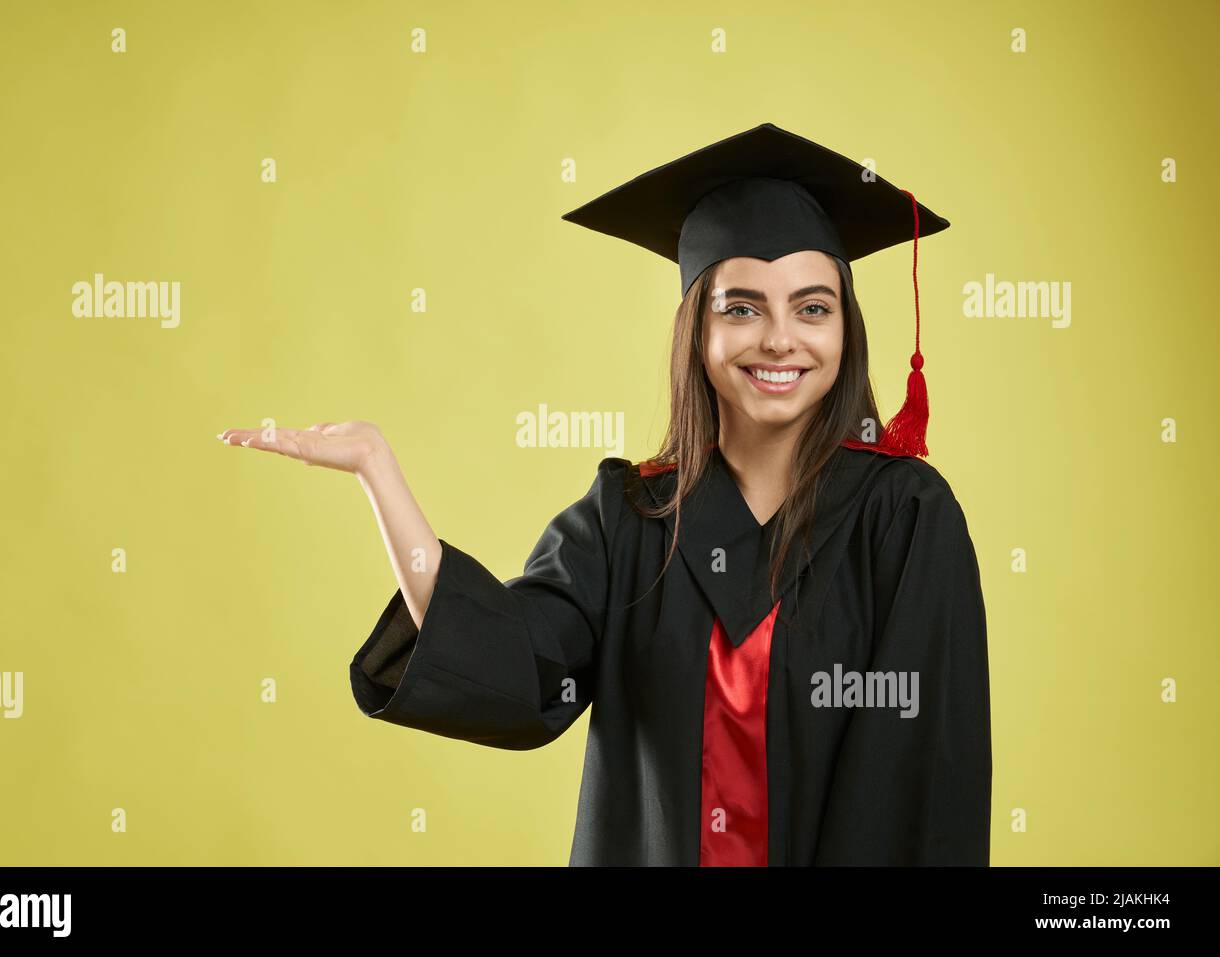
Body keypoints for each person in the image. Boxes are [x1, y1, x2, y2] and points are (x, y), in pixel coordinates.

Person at [218, 123, 992, 866]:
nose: (779, 338)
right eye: (742, 307)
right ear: (698, 330)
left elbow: (919, 785)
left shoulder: (905, 517)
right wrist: (377, 469)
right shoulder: (629, 521)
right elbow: (513, 666)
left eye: (812, 307)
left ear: (845, 329)